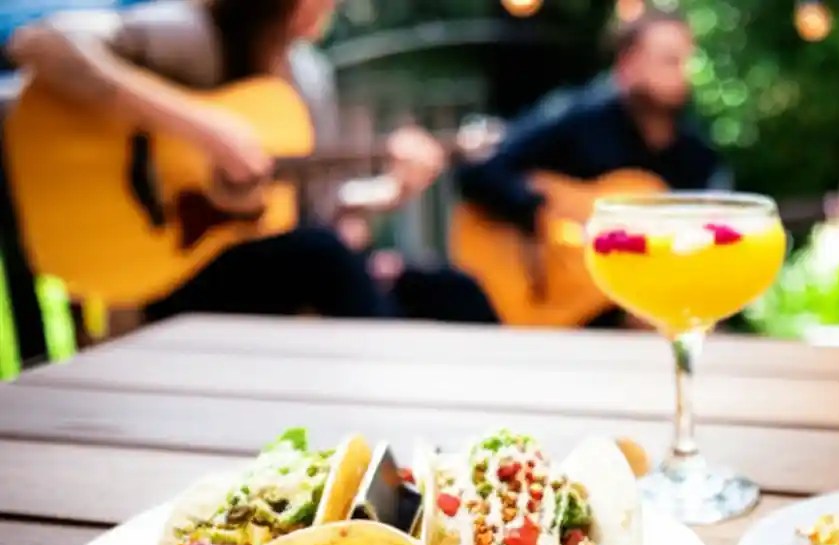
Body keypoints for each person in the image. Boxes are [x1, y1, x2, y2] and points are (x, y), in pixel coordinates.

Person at [3, 0, 496, 329]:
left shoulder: (309, 77)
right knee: (325, 260)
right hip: (167, 274)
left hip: (241, 272)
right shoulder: (192, 34)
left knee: (451, 290)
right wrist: (200, 128)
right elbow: (37, 44)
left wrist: (389, 191)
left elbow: (313, 219)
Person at [455, 8, 729, 327]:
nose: (683, 73)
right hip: (552, 308)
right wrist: (544, 215)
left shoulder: (694, 154)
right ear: (629, 63)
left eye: (686, 61)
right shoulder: (578, 118)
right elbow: (479, 173)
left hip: (631, 320)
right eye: (669, 60)